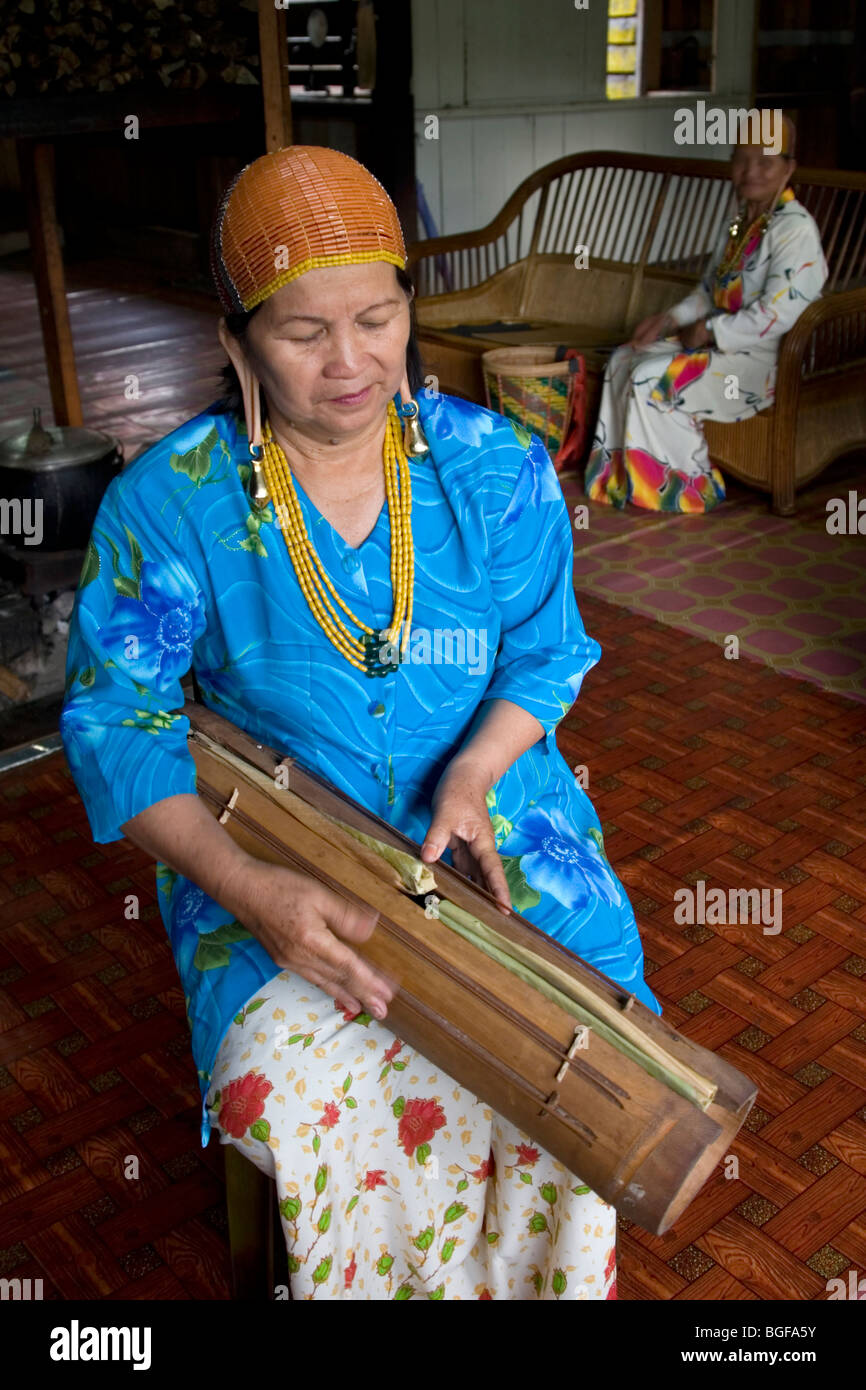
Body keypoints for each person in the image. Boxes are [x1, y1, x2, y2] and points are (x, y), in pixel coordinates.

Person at [60, 145, 660, 1301]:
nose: (351, 363)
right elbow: (115, 718)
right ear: (234, 344)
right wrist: (250, 893)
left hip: (491, 825)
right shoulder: (173, 500)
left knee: (584, 1072)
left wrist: (475, 772)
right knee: (304, 1087)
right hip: (281, 847)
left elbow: (544, 652)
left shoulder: (497, 470)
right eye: (301, 334)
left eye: (377, 318)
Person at [585, 113, 827, 513]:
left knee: (651, 378)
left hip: (766, 362)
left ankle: (686, 487)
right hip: (722, 348)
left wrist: (711, 332)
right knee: (623, 359)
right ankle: (619, 479)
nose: (751, 171)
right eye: (741, 159)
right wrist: (668, 320)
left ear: (789, 168)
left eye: (765, 161)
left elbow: (776, 315)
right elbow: (707, 291)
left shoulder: (794, 229)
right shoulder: (740, 223)